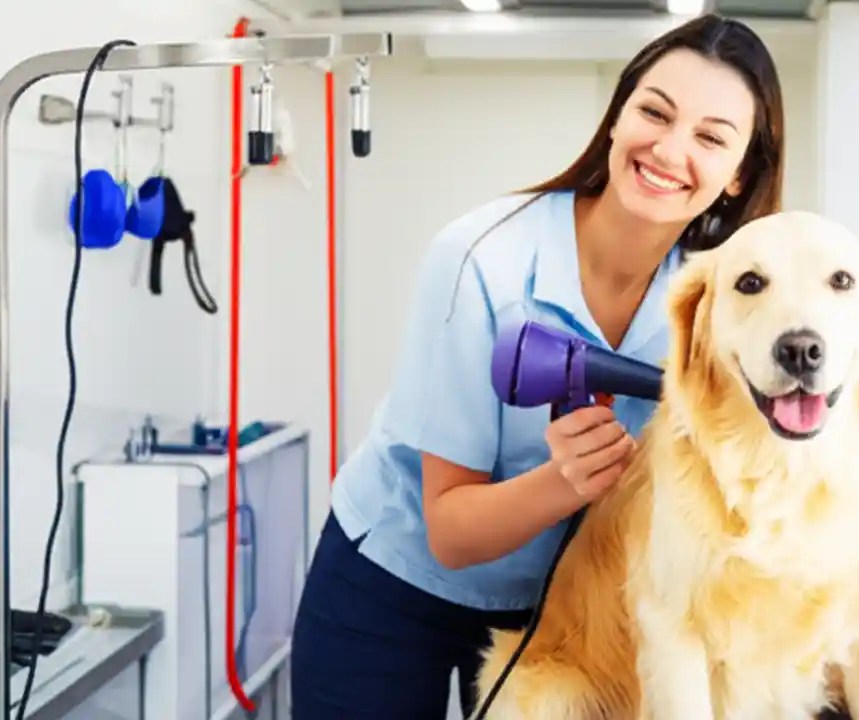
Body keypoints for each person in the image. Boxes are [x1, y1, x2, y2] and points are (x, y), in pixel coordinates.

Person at [289, 12, 787, 719]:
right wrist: (563, 482)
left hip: (560, 607)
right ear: (616, 119)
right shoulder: (481, 259)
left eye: (711, 137)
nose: (671, 150)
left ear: (739, 176)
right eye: (654, 112)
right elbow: (451, 533)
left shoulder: (714, 310)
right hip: (393, 585)